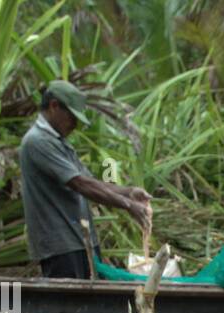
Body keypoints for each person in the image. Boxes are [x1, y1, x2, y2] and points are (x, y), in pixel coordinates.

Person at [18, 80, 152, 279]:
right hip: (61, 246)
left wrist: (128, 192)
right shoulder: (38, 141)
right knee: (69, 306)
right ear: (54, 106)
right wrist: (127, 205)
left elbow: (89, 181)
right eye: (72, 117)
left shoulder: (59, 142)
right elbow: (80, 184)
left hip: (80, 241)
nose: (75, 124)